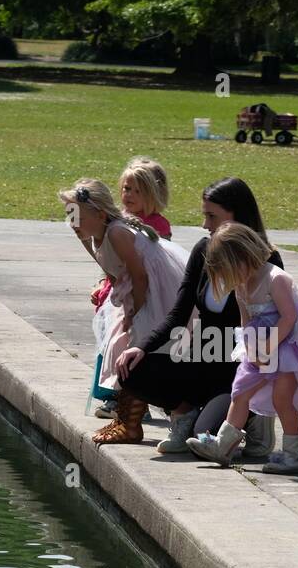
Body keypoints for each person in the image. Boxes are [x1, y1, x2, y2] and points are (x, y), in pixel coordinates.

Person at [116, 178, 283, 456]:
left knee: (201, 440)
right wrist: (141, 347)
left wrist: (260, 372)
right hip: (202, 356)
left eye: (211, 216)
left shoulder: (267, 259)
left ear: (236, 214)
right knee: (132, 369)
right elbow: (179, 313)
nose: (205, 224)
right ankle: (184, 414)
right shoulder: (203, 250)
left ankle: (255, 416)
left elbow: (274, 324)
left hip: (238, 366)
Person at [185, 224, 298, 472]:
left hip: (286, 346)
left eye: (231, 270)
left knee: (282, 398)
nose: (233, 279)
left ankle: (295, 456)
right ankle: (223, 446)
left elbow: (289, 317)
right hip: (259, 346)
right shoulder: (242, 284)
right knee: (240, 392)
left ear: (245, 254)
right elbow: (245, 320)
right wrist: (251, 349)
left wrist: (269, 346)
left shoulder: (275, 278)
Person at [59, 179, 189, 446]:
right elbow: (112, 269)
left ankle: (132, 423)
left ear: (100, 214)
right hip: (134, 293)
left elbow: (140, 277)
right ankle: (127, 419)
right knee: (121, 348)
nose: (72, 222)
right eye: (69, 215)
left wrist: (137, 315)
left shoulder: (118, 232)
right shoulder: (93, 235)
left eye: (77, 216)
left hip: (154, 292)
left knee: (137, 349)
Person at [120, 157, 172, 239]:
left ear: (155, 195)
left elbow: (161, 251)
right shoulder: (117, 217)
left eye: (138, 191)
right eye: (127, 188)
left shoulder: (159, 224)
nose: (129, 194)